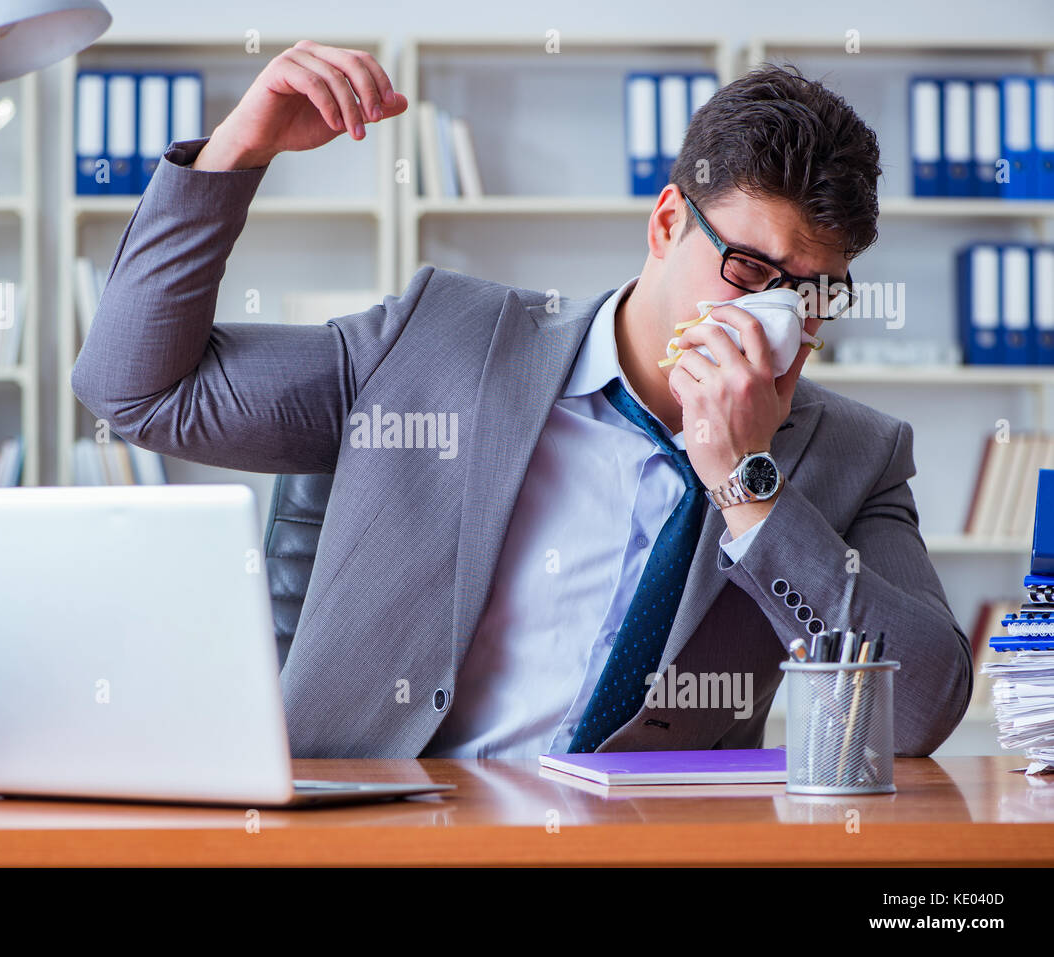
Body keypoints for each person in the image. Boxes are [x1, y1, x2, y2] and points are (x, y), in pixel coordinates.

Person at [72, 39, 972, 758]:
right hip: (375, 835)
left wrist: (750, 487)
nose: (783, 321)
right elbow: (137, 393)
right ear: (665, 224)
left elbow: (923, 709)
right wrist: (237, 150)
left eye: (814, 291)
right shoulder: (438, 341)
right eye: (751, 271)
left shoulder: (855, 453)